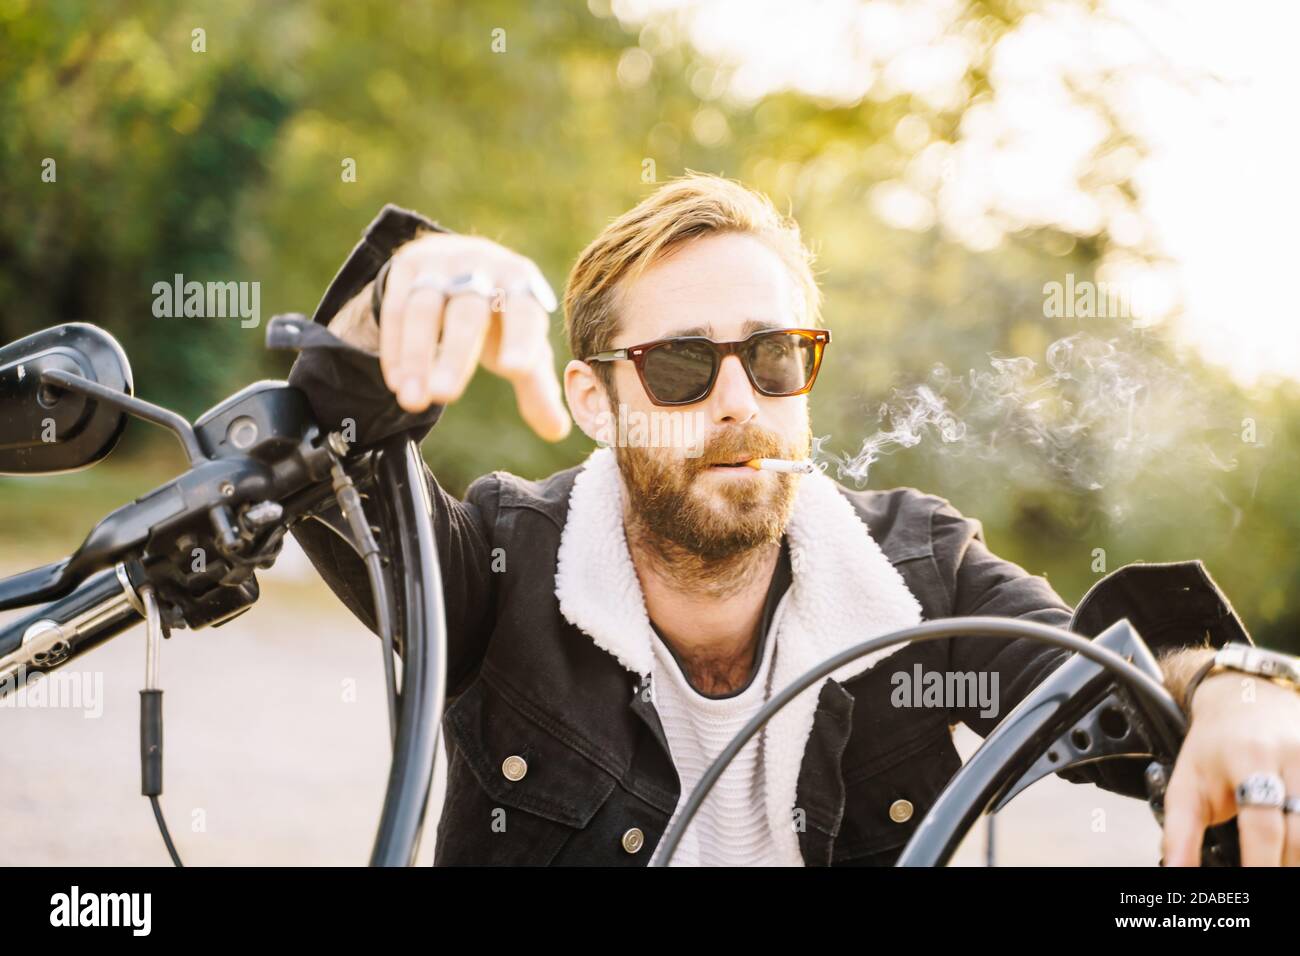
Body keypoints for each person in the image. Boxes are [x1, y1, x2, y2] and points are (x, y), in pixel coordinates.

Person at [284, 173, 1300, 866]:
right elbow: (339, 458)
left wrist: (1236, 687)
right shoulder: (496, 561)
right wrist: (386, 313)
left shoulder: (916, 573)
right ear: (594, 400)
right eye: (680, 364)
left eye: (772, 357)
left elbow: (1106, 686)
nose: (738, 401)